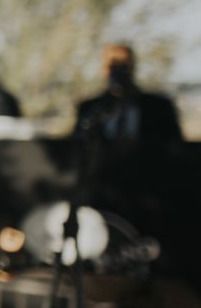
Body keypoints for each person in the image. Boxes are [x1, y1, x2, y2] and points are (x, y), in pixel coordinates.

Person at [74, 43, 184, 237]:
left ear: (133, 67)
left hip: (147, 199)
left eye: (124, 65)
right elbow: (78, 149)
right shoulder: (91, 109)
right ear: (104, 69)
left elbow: (174, 151)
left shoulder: (159, 108)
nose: (118, 71)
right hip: (102, 197)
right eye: (113, 65)